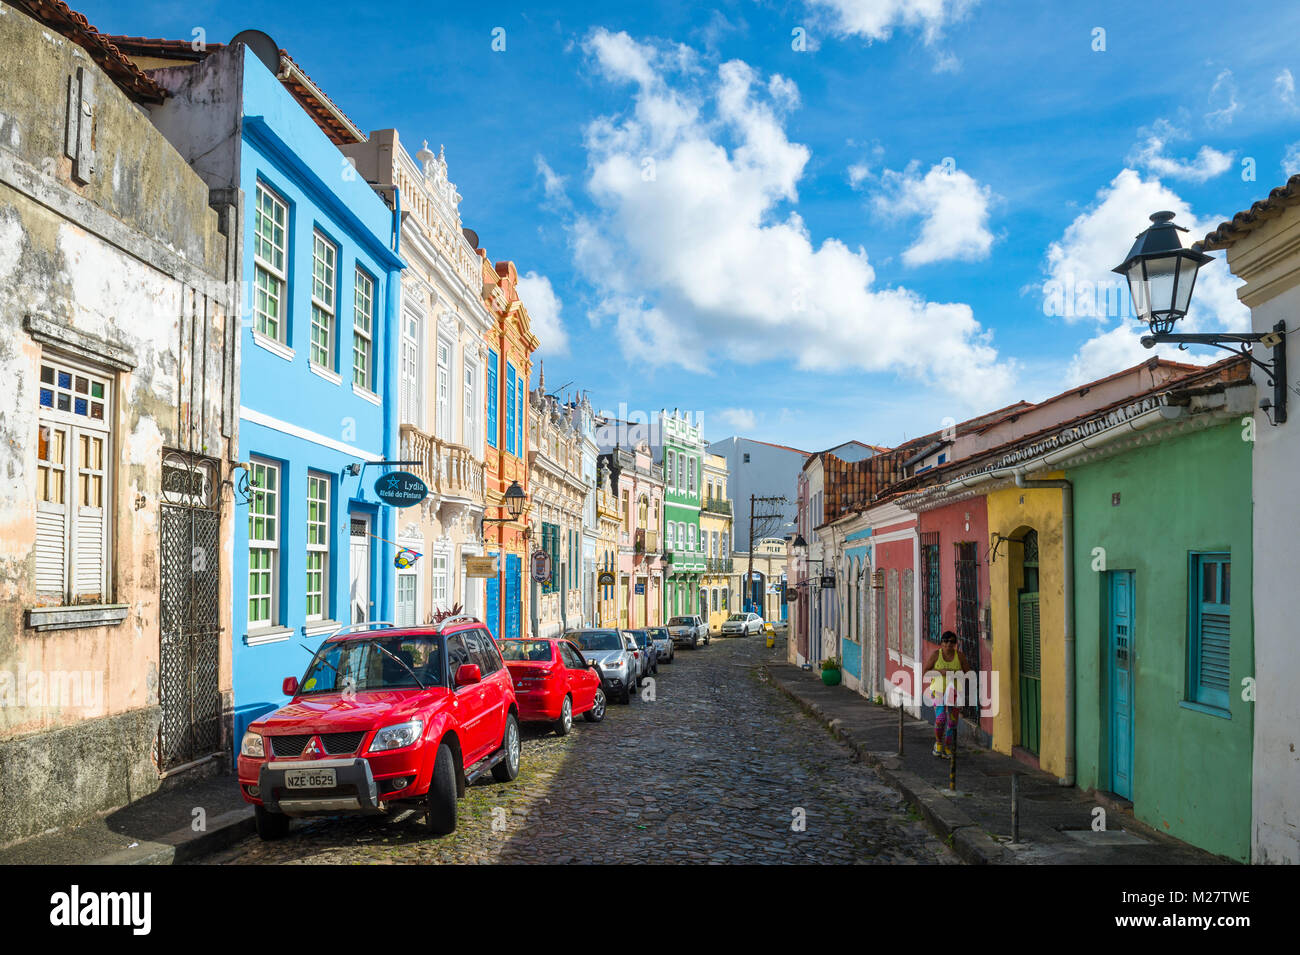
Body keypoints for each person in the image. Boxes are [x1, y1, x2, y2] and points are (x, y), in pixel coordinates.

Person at [923, 630, 969, 758]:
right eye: (946, 641)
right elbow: (926, 672)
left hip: (954, 692)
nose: (949, 644)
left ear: (955, 644)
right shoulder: (936, 655)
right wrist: (940, 672)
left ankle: (948, 747)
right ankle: (938, 743)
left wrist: (956, 674)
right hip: (938, 691)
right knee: (941, 718)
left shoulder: (959, 656)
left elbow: (968, 673)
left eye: (952, 642)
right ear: (941, 643)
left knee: (953, 722)